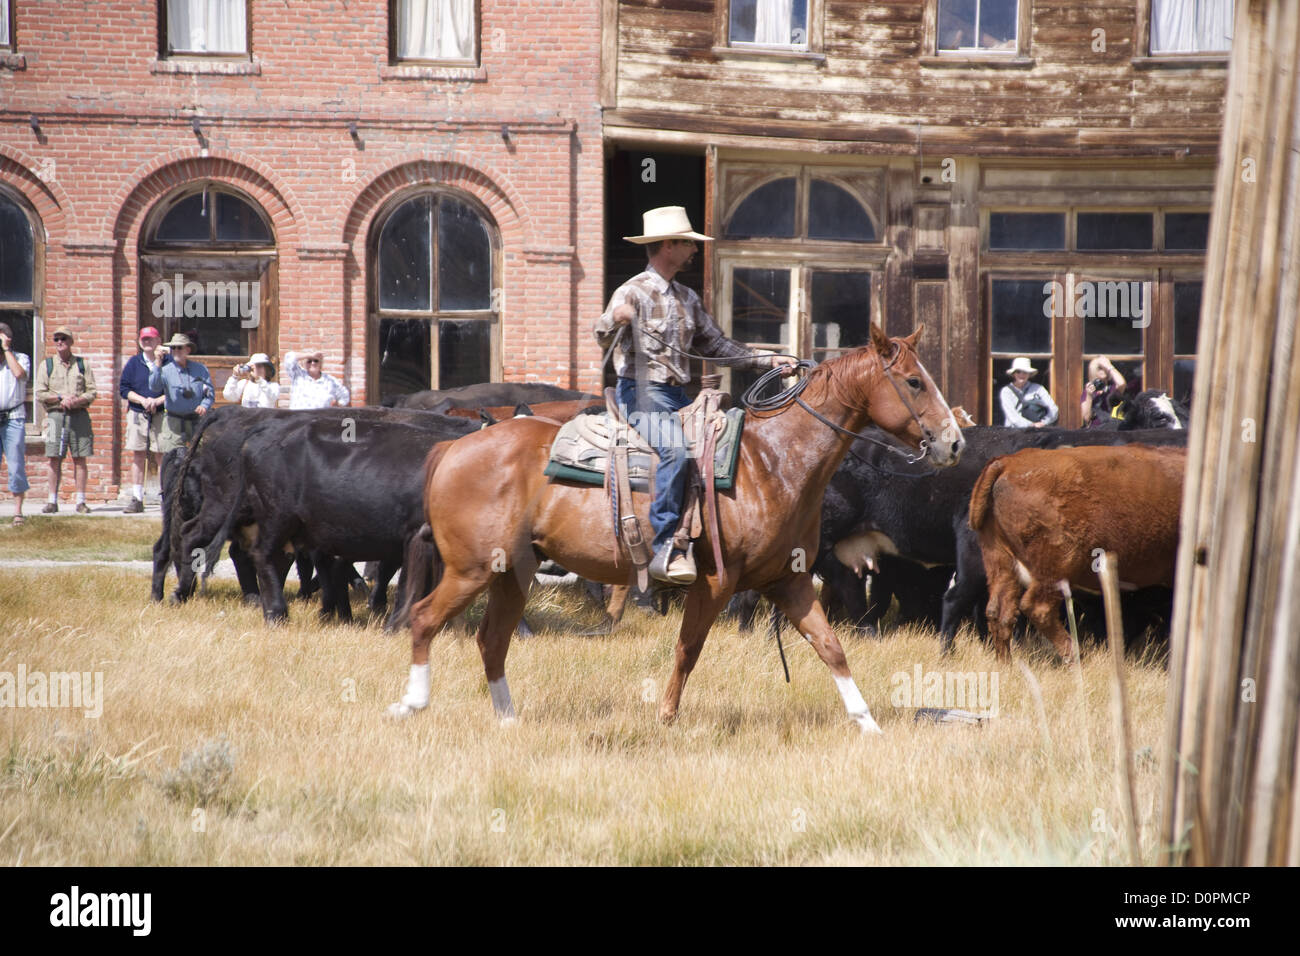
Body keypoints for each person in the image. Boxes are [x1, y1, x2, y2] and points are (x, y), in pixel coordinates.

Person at [595, 205, 785, 585]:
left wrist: (772, 360)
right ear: (668, 246)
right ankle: (666, 545)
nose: (695, 251)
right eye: (688, 244)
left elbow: (718, 346)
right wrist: (614, 318)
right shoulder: (631, 290)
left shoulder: (687, 297)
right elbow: (601, 334)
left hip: (679, 394)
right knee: (676, 450)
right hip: (641, 393)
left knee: (728, 443)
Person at [33, 326, 97, 514]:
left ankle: (81, 501)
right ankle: (52, 500)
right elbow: (40, 393)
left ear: (71, 342)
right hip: (55, 416)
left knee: (80, 458)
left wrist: (77, 400)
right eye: (57, 339)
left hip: (79, 415)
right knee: (53, 458)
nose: (60, 342)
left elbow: (92, 391)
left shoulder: (82, 364)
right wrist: (61, 398)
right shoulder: (47, 365)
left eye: (64, 339)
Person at [118, 326, 168, 513]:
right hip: (138, 413)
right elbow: (124, 389)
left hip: (161, 413)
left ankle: (165, 496)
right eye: (144, 339)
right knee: (138, 454)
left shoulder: (167, 362)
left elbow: (173, 389)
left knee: (161, 454)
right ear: (140, 342)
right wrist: (143, 400)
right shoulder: (134, 362)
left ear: (158, 341)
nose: (147, 342)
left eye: (150, 339)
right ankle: (137, 498)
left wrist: (157, 401)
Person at [149, 333, 214, 454]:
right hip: (173, 422)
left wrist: (204, 405)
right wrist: (157, 362)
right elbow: (154, 387)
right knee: (174, 460)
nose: (176, 351)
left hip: (196, 421)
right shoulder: (165, 370)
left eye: (179, 347)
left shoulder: (200, 369)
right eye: (173, 348)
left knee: (199, 458)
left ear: (188, 350)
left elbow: (209, 394)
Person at [0, 321, 31, 525]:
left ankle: (18, 511)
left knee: (16, 465)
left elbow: (19, 374)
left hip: (13, 418)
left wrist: (6, 350)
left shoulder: (20, 358)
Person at [999, 356, 1058, 429]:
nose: (1021, 375)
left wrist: (1044, 422)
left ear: (1029, 374)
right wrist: (1031, 425)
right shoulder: (1006, 391)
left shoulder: (1038, 389)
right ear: (1013, 374)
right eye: (1018, 372)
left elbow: (1053, 409)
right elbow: (1012, 416)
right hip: (1013, 432)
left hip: (1037, 432)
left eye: (1025, 372)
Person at [284, 349, 348, 409]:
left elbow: (344, 396)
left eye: (316, 360)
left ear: (320, 363)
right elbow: (288, 357)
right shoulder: (298, 375)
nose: (313, 363)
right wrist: (310, 355)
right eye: (309, 361)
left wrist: (336, 406)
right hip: (298, 418)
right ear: (304, 364)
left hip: (321, 419)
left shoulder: (330, 381)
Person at [1080, 355, 1128, 428]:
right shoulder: (1088, 391)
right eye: (1099, 368)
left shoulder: (1112, 387)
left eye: (1104, 368)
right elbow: (1086, 417)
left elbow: (1121, 383)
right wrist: (1089, 395)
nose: (1103, 370)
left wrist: (1108, 366)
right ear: (1093, 371)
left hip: (1114, 427)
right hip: (1096, 429)